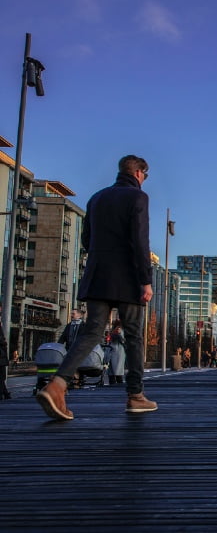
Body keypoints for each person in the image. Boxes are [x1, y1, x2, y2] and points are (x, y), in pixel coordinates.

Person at [36, 154, 157, 420]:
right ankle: (135, 395)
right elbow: (140, 240)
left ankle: (57, 385)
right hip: (127, 279)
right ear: (139, 173)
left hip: (98, 276)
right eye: (145, 176)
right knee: (134, 337)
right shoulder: (138, 198)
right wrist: (145, 280)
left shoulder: (96, 198)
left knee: (91, 334)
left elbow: (86, 240)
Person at [0, 308, 11, 400]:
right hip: (1, 356)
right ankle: (4, 394)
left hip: (2, 356)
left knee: (1, 377)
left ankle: (5, 393)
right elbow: (2, 341)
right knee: (1, 377)